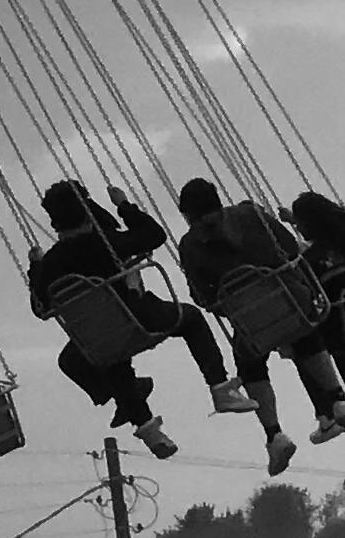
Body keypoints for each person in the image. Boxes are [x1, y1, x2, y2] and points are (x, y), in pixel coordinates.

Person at [31, 180, 235, 459]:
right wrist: (124, 206)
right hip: (138, 319)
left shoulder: (52, 263)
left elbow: (40, 307)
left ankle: (149, 430)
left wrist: (36, 267)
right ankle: (220, 387)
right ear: (87, 210)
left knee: (107, 355)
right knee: (191, 319)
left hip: (99, 338)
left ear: (54, 222)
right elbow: (155, 235)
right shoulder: (105, 243)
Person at [171, 179, 345, 473]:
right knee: (302, 330)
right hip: (293, 305)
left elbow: (202, 297)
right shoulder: (252, 215)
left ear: (188, 214)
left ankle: (274, 434)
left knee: (249, 360)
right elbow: (290, 250)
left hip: (252, 325)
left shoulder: (189, 244)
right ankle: (337, 399)